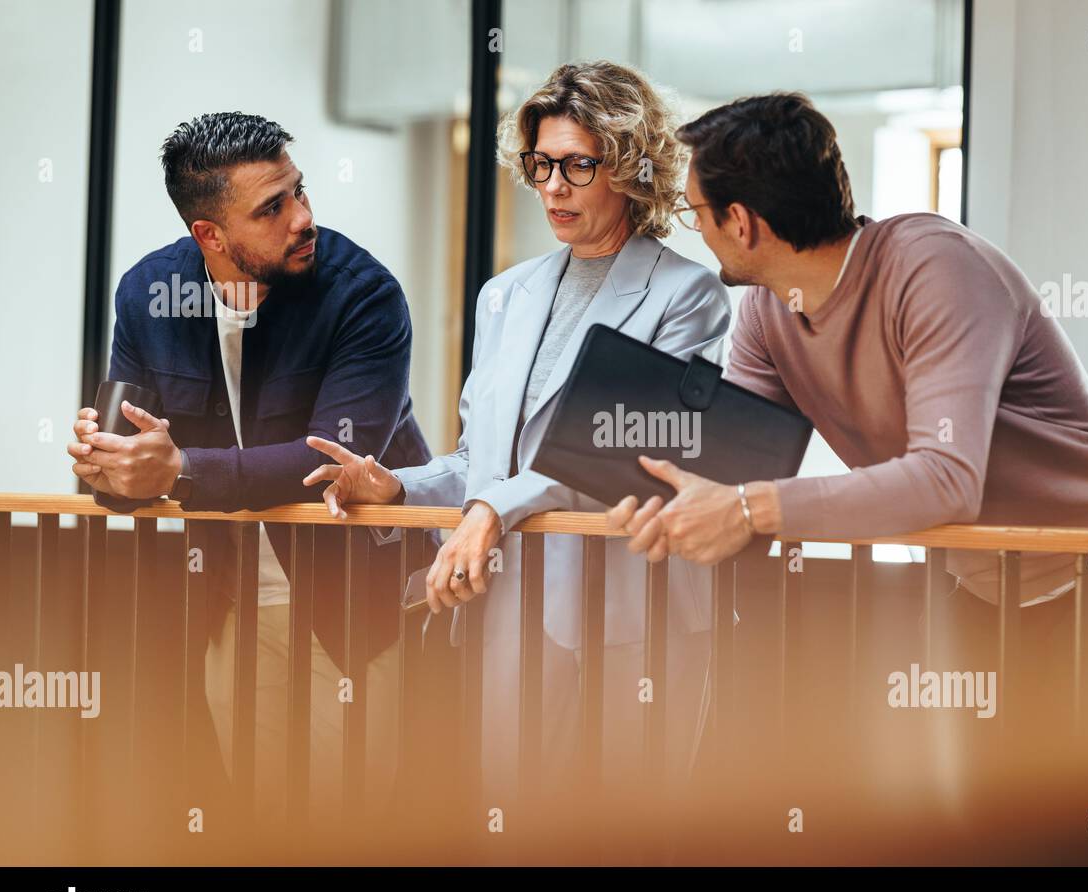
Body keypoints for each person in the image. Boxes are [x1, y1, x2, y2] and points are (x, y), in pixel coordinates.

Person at [607, 92, 1088, 862]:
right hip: (987, 587)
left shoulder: (935, 268)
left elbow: (946, 479)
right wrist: (658, 491)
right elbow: (736, 457)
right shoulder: (766, 314)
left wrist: (749, 508)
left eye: (696, 212)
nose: (697, 228)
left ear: (742, 222)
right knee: (990, 830)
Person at [306, 61, 731, 807]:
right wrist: (398, 484)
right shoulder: (506, 295)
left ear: (630, 169)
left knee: (624, 832)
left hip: (630, 615)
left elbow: (630, 446)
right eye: (540, 163)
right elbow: (480, 460)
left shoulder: (686, 295)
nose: (552, 187)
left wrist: (494, 510)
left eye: (576, 165)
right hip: (506, 609)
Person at [67, 112, 430, 827]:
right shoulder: (148, 294)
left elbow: (326, 460)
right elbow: (122, 478)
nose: (303, 217)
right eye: (272, 208)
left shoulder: (364, 295)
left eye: (299, 191)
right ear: (210, 235)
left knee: (344, 821)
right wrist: (106, 463)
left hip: (353, 598)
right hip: (230, 601)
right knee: (261, 818)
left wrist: (174, 471)